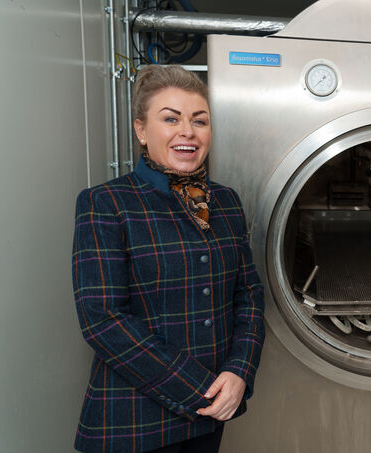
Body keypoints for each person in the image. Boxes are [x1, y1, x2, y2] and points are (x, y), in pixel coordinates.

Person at [72, 65, 265, 453]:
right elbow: (102, 320)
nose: (187, 131)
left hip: (212, 412)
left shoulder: (225, 201)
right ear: (142, 131)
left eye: (199, 120)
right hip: (135, 419)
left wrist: (239, 372)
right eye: (171, 119)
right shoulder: (106, 203)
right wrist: (200, 388)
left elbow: (249, 295)